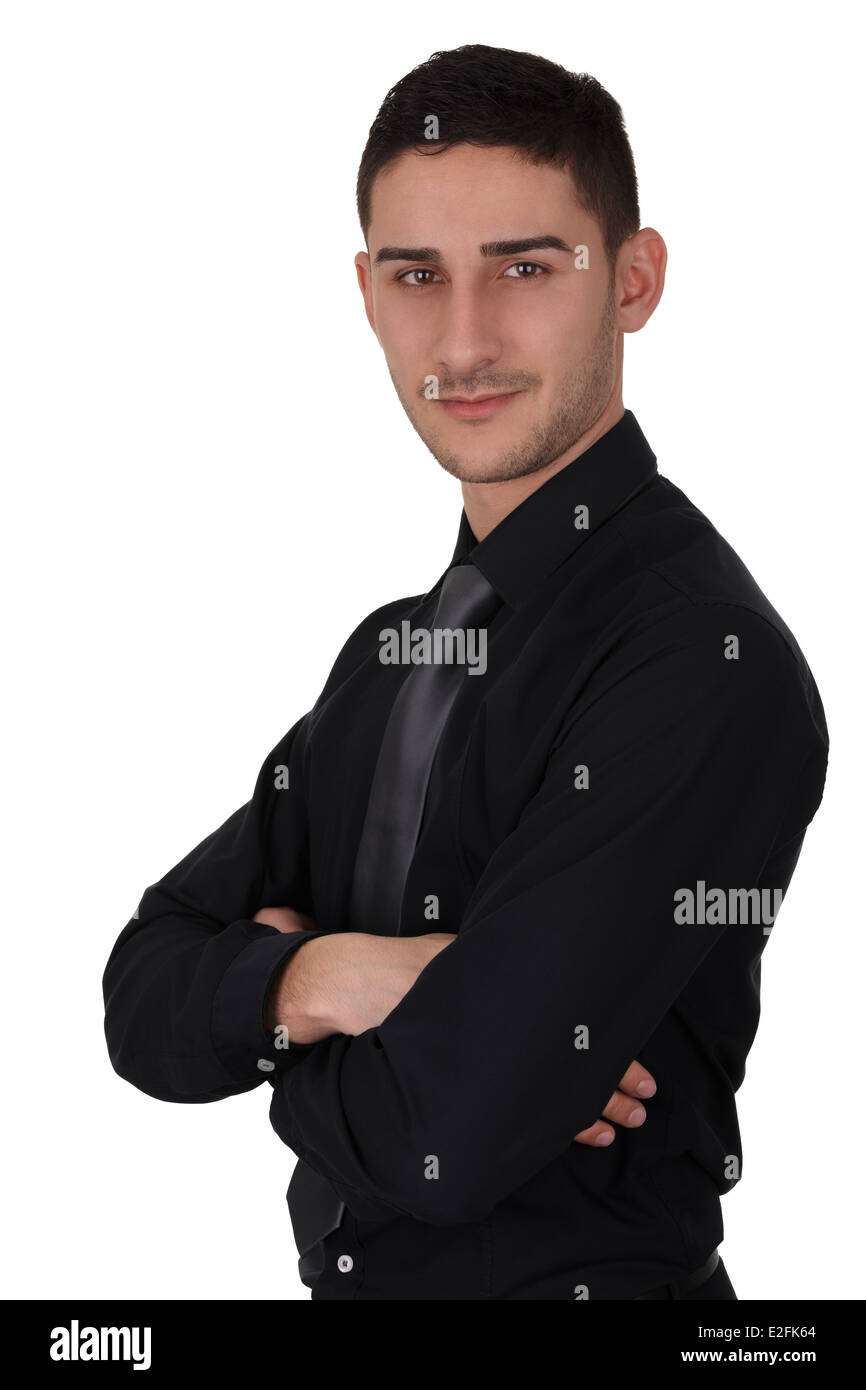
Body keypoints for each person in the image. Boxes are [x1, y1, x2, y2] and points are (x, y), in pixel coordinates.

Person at [102, 44, 828, 1301]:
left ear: (634, 280)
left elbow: (438, 1135)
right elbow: (138, 993)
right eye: (416, 275)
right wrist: (332, 976)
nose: (465, 337)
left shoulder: (702, 662)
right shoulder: (396, 651)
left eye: (525, 267)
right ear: (365, 294)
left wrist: (271, 1010)